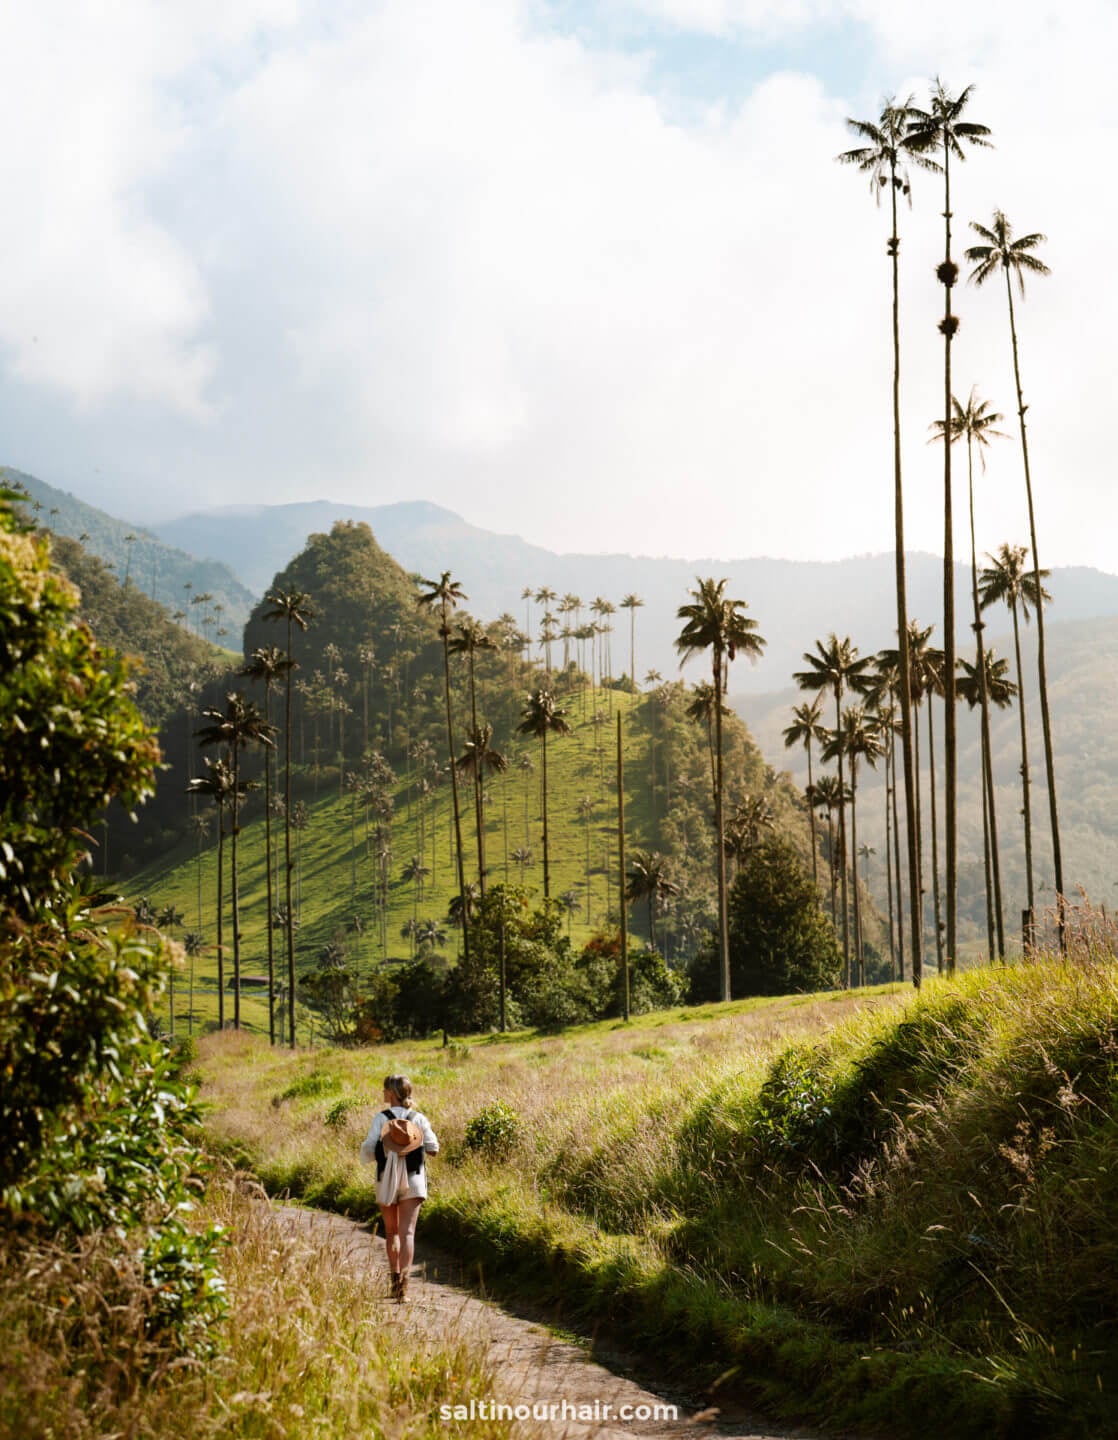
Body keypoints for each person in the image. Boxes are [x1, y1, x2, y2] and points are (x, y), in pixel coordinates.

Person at [359, 1074, 439, 1301]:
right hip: (414, 1178)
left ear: (391, 1093)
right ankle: (404, 1289)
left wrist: (388, 1149)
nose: (383, 1093)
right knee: (408, 1233)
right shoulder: (418, 1118)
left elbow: (368, 1149)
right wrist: (411, 1144)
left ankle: (395, 1283)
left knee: (391, 1232)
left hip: (386, 1177)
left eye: (385, 1089)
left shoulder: (380, 1119)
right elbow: (433, 1148)